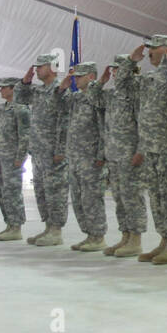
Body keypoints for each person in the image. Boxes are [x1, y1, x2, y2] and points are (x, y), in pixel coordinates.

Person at [134, 34, 167, 264]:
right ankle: (163, 241)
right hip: (151, 148)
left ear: (166, 50)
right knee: (156, 197)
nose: (148, 53)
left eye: (153, 48)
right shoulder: (151, 77)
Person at [16, 53, 70, 246]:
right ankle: (48, 226)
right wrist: (25, 81)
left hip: (53, 152)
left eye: (41, 66)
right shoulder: (39, 91)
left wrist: (60, 149)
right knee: (41, 191)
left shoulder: (60, 91)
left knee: (55, 191)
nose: (37, 69)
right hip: (38, 151)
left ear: (52, 68)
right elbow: (19, 98)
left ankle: (56, 231)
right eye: (36, 66)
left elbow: (64, 122)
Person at [100, 54, 145, 257]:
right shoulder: (114, 94)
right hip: (115, 154)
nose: (113, 73)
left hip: (130, 154)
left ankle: (135, 239)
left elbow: (143, 122)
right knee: (119, 197)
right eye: (112, 69)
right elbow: (93, 96)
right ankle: (125, 236)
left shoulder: (136, 91)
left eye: (117, 69)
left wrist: (140, 150)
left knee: (132, 196)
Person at [61, 63, 107, 252]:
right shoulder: (76, 98)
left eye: (79, 77)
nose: (75, 80)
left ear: (90, 77)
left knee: (92, 198)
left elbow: (104, 127)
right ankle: (89, 234)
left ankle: (98, 236)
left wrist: (101, 154)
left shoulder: (98, 99)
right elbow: (57, 103)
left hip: (90, 157)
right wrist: (63, 85)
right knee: (78, 198)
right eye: (75, 77)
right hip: (75, 157)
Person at [0, 79, 30, 242]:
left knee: (13, 193)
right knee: (3, 193)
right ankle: (9, 224)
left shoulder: (21, 110)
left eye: (4, 88)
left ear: (13, 89)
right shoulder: (1, 109)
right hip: (0, 158)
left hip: (12, 158)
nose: (1, 91)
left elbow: (25, 135)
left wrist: (20, 157)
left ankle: (16, 226)